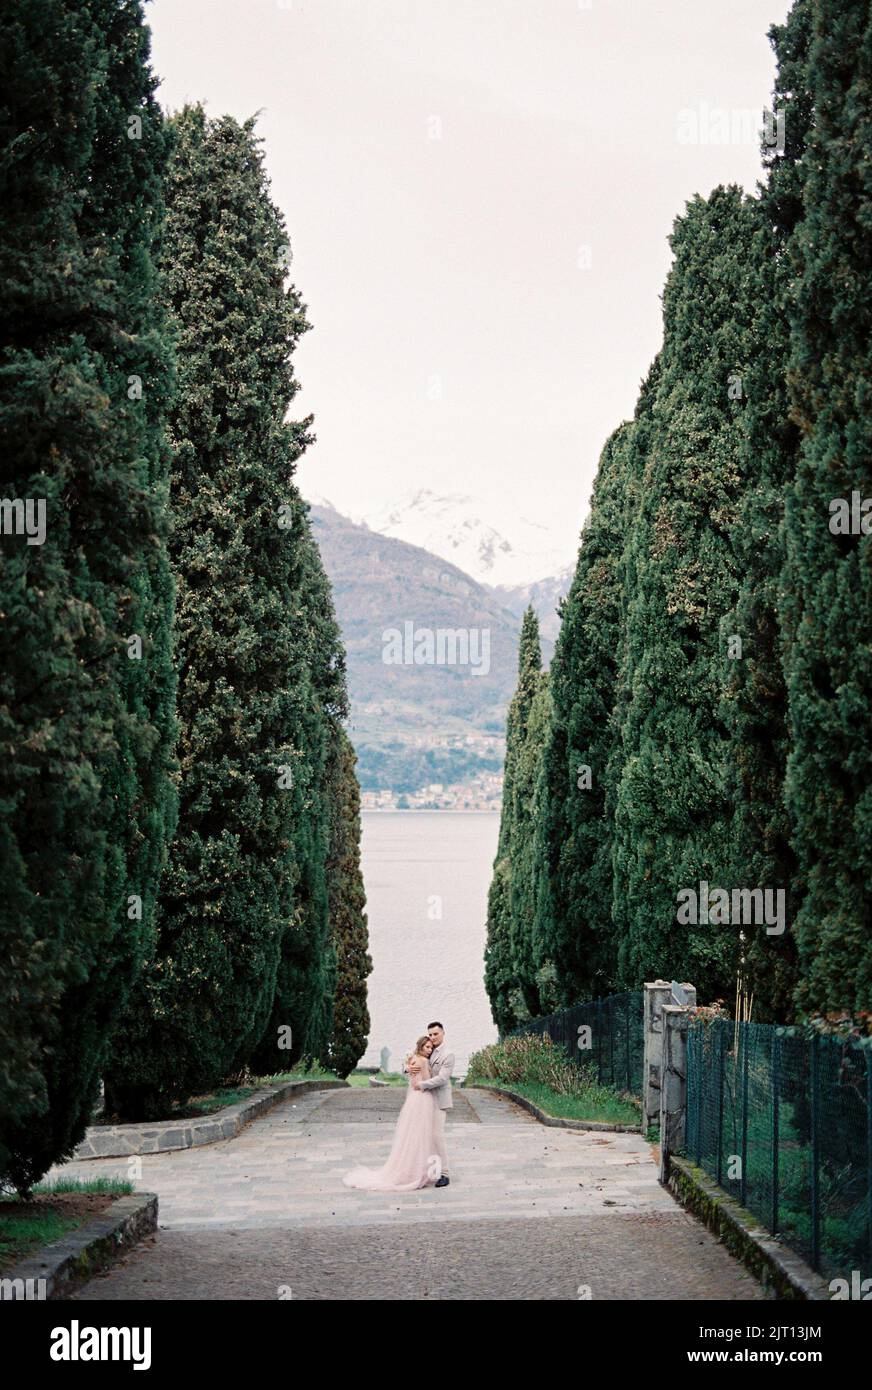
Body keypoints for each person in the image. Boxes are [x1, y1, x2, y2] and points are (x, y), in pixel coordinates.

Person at [342, 1036, 441, 1192]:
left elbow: (412, 1078)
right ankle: (416, 1172)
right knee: (420, 1135)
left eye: (430, 1047)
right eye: (427, 1047)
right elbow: (417, 1085)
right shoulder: (422, 1061)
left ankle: (415, 1169)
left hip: (415, 1101)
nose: (429, 1050)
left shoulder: (414, 1059)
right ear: (421, 1047)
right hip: (422, 1099)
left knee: (415, 1135)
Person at [408, 1021, 454, 1187]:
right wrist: (407, 1068)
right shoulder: (427, 1049)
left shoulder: (448, 1054)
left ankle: (445, 1173)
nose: (433, 1037)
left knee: (437, 1136)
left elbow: (442, 1078)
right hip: (425, 1101)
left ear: (443, 1033)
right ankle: (430, 1170)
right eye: (431, 1034)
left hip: (439, 1100)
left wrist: (421, 1085)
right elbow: (412, 1060)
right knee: (424, 1136)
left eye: (436, 1034)